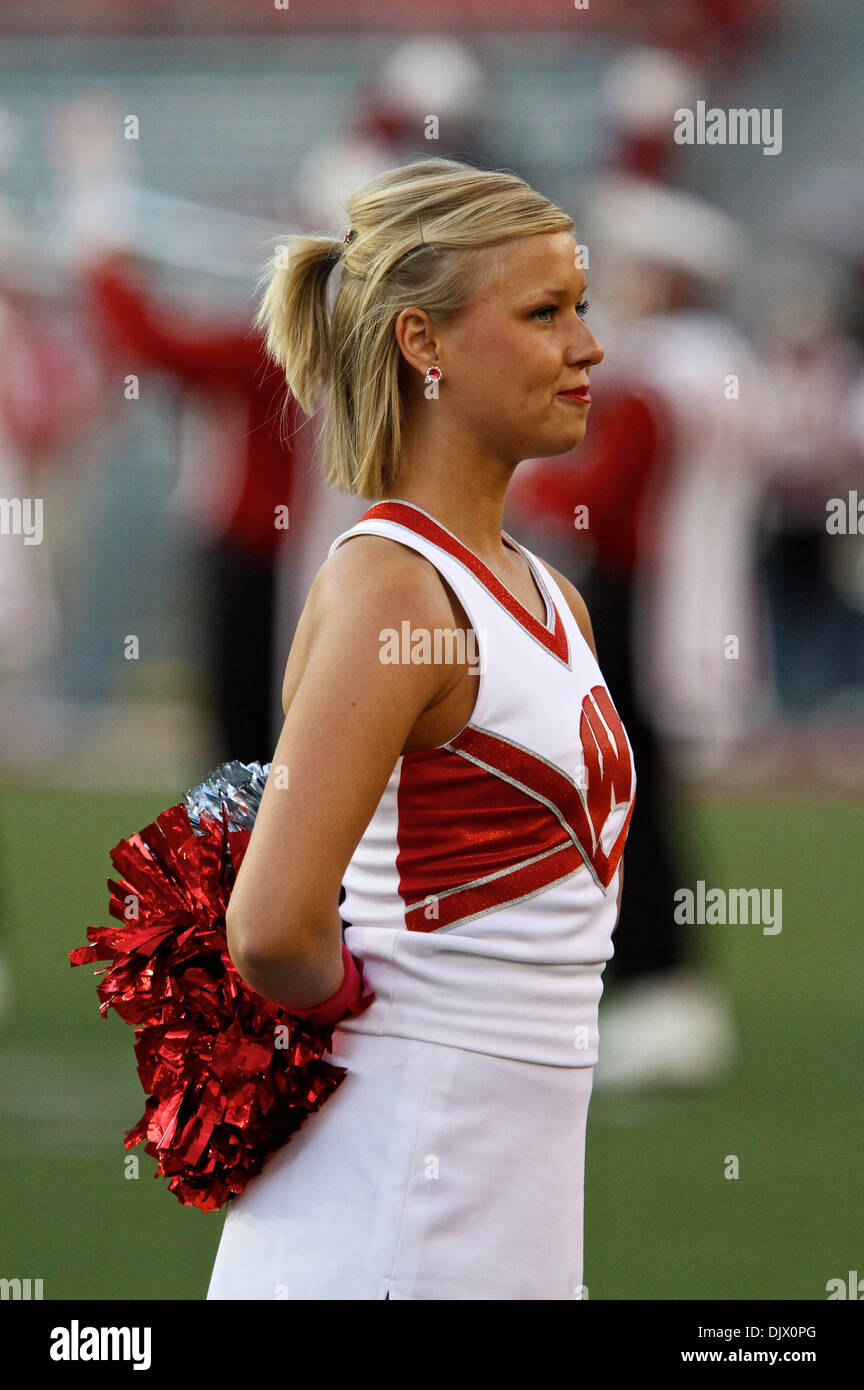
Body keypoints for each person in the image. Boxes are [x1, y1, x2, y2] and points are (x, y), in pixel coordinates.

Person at [207, 157, 636, 1301]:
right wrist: (374, 1032)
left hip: (511, 1206)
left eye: (579, 306)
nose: (587, 346)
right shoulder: (395, 590)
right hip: (389, 1202)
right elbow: (271, 926)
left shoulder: (551, 596)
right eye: (543, 313)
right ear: (422, 342)